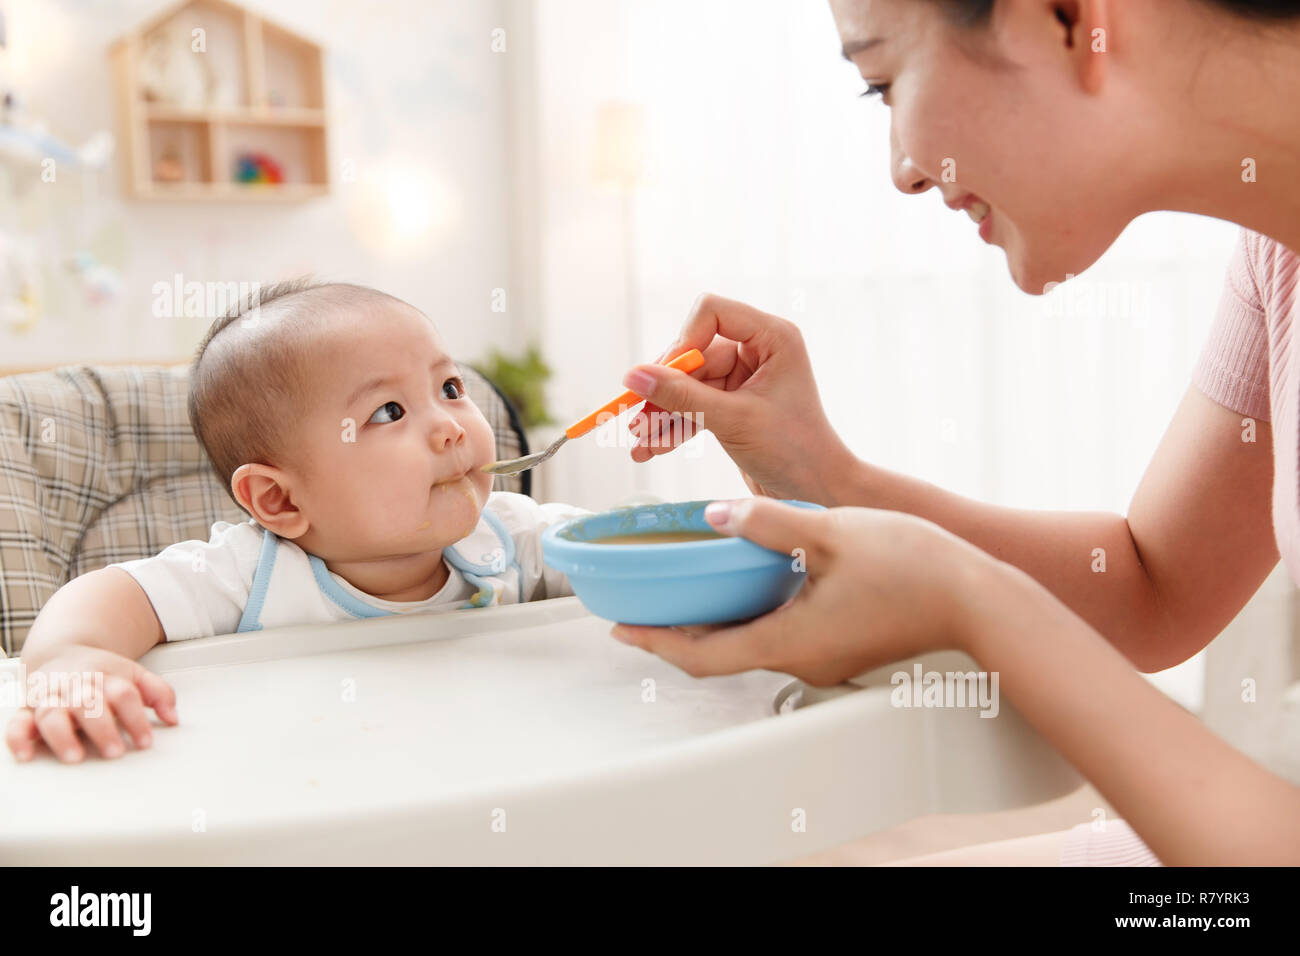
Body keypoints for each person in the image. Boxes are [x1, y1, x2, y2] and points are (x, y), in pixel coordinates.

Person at [609, 0, 1300, 865]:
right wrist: (827, 475)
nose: (902, 170)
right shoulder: (1280, 250)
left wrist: (969, 598)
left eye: (883, 81)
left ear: (1064, 19)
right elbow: (1154, 589)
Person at [5, 280, 588, 765]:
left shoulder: (508, 534)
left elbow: (628, 552)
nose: (451, 426)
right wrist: (70, 659)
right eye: (389, 411)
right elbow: (109, 595)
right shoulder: (249, 576)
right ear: (279, 501)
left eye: (450, 387)